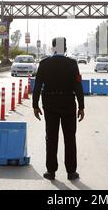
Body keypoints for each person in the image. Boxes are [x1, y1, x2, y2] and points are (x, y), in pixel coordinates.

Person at [32, 37, 85, 181]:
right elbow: (77, 86)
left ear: (53, 48)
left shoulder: (44, 64)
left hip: (50, 105)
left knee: (51, 138)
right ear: (65, 48)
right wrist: (81, 106)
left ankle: (51, 171)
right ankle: (71, 172)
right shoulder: (72, 64)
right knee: (70, 138)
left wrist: (35, 105)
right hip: (68, 104)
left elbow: (37, 85)